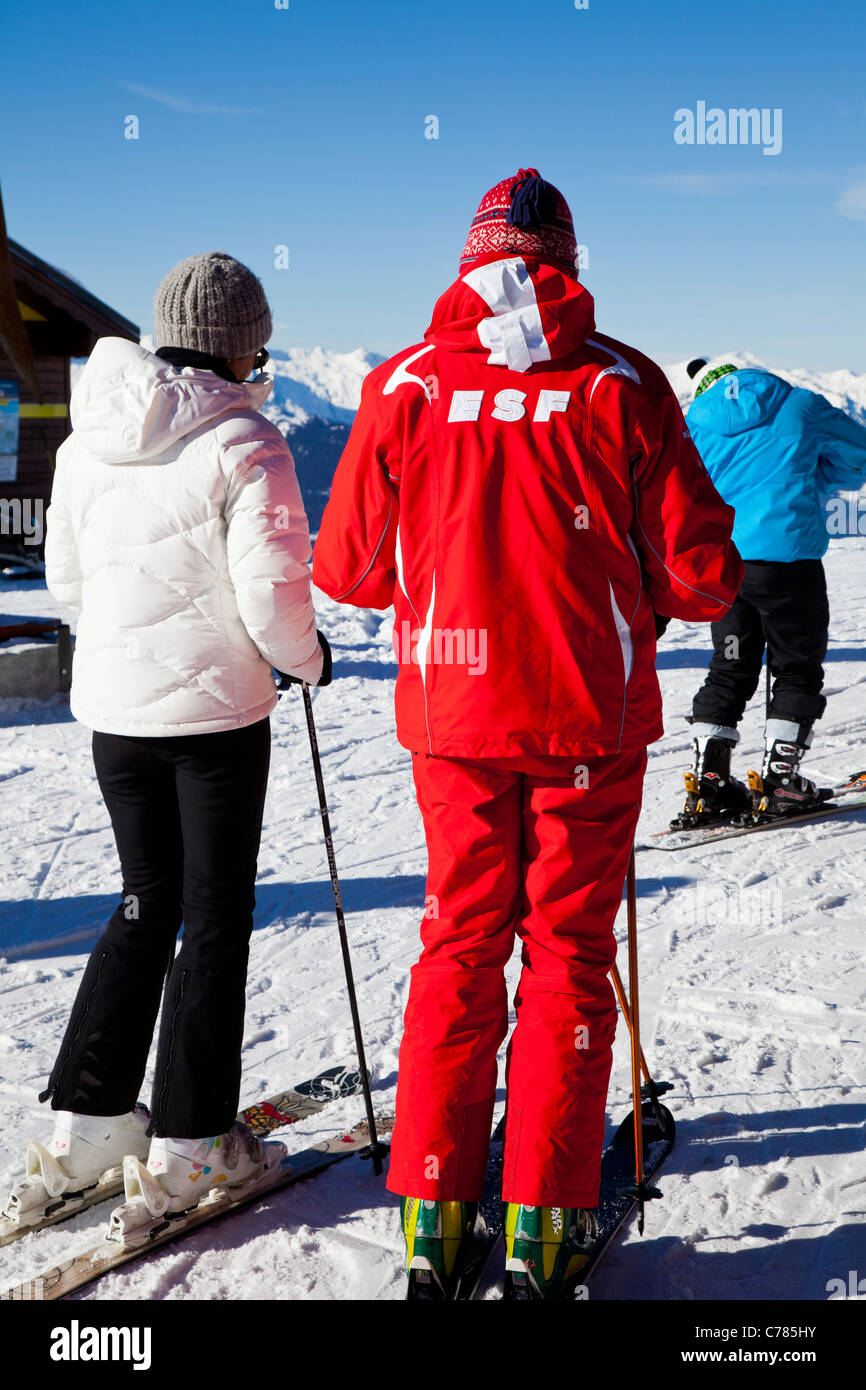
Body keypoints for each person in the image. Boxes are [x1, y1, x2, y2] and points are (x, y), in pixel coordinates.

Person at [313, 170, 743, 1298]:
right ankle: (539, 1227)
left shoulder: (401, 384)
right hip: (582, 717)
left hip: (451, 719)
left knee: (458, 943)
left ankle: (433, 1212)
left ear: (466, 259)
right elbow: (701, 576)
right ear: (565, 259)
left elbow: (346, 569)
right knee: (564, 954)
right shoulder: (622, 382)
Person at [32, 252, 330, 1215]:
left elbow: (67, 589)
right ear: (243, 343)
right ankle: (195, 1144)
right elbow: (272, 597)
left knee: (143, 902)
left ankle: (89, 1127)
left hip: (115, 719)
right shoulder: (249, 438)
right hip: (214, 724)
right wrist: (309, 658)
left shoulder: (85, 441)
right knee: (213, 917)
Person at [678, 356, 866, 825]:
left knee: (728, 666)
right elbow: (858, 457)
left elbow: (682, 487)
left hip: (723, 565)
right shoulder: (799, 405)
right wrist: (815, 473)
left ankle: (708, 783)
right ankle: (781, 782)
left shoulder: (693, 420)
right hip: (788, 563)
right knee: (796, 667)